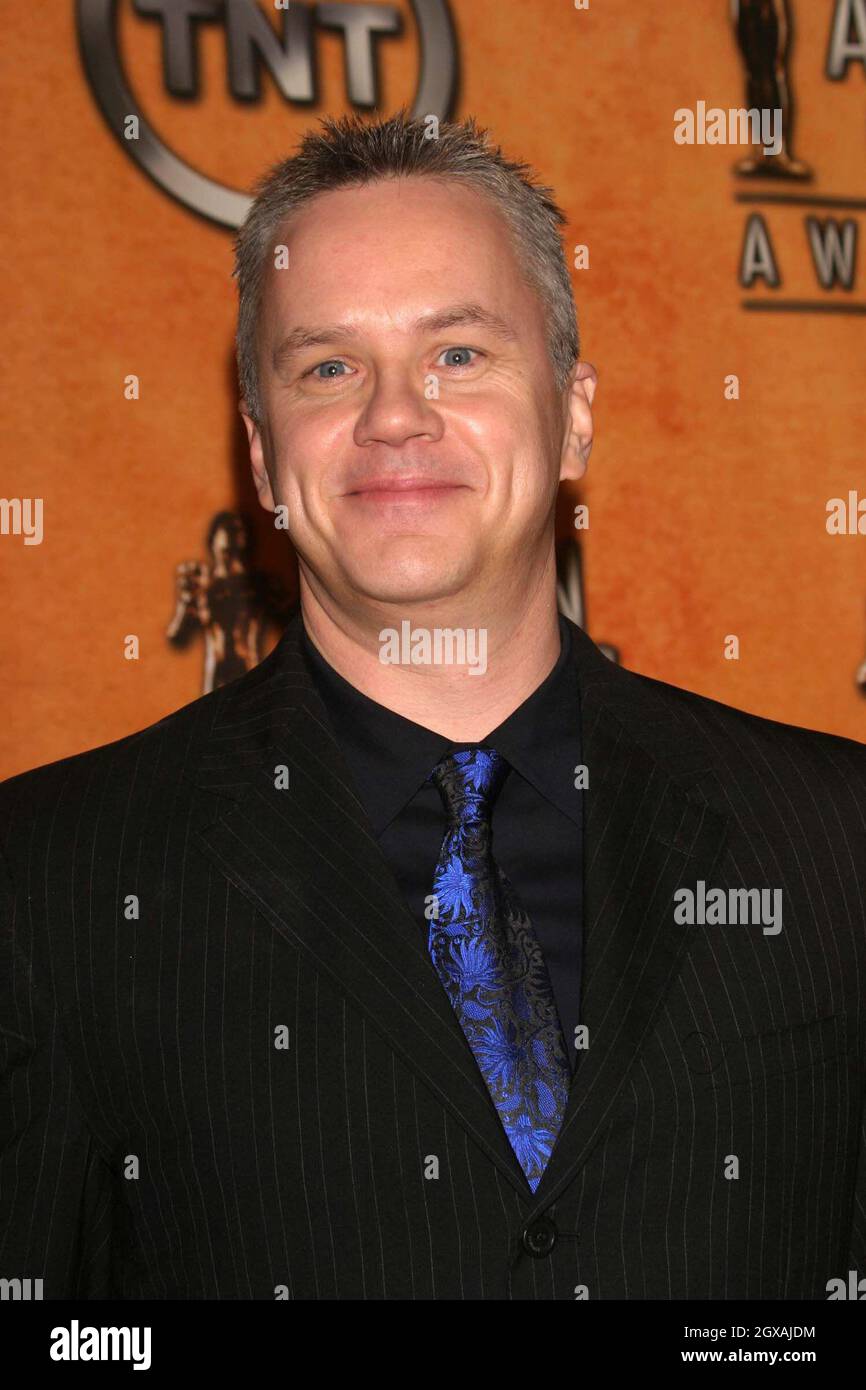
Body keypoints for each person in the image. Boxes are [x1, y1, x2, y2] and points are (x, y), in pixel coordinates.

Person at [1, 110, 864, 1301]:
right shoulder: (49, 878)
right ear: (261, 457)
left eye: (457, 353)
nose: (394, 415)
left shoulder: (833, 838)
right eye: (327, 366)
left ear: (573, 410)